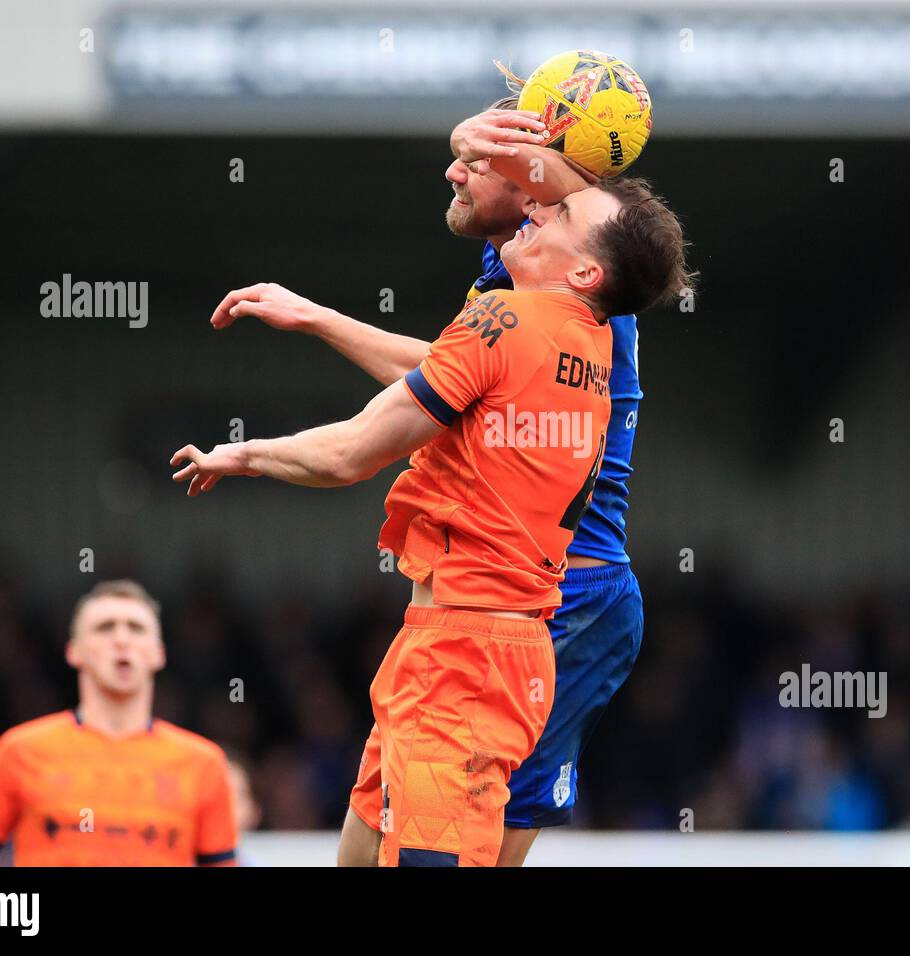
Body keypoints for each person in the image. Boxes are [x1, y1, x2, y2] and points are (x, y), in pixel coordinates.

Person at [172, 176, 691, 865]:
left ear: (587, 270)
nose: (535, 208)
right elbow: (449, 369)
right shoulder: (588, 345)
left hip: (463, 660)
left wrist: (243, 454)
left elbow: (351, 454)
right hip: (496, 646)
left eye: (560, 210)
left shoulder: (503, 321)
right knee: (359, 856)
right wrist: (320, 319)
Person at [0, 580, 238, 866]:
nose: (121, 640)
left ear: (158, 653)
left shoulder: (204, 764)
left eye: (136, 628)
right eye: (104, 628)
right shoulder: (19, 752)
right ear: (74, 651)